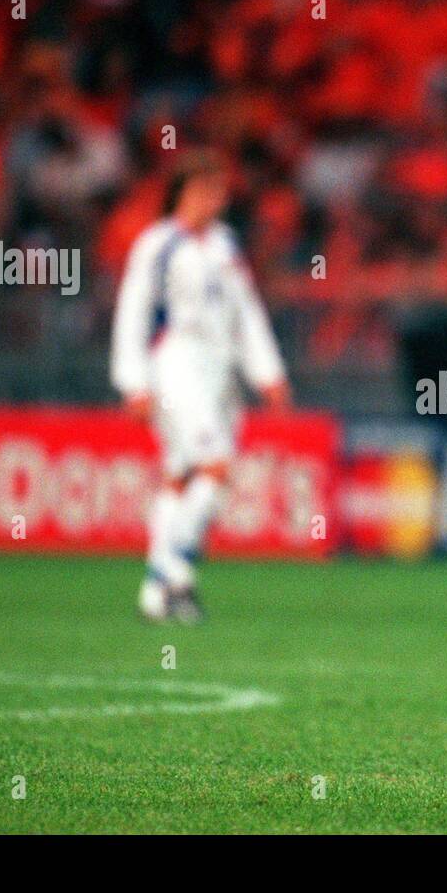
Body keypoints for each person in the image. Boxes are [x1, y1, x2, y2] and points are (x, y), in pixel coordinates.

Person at [110, 150, 291, 623]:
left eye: (219, 190)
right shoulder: (158, 244)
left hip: (222, 370)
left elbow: (247, 311)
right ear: (183, 192)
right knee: (215, 464)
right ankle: (174, 568)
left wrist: (267, 371)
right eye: (206, 189)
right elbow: (133, 310)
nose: (215, 198)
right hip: (177, 363)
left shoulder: (225, 246)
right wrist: (133, 381)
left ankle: (155, 593)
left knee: (180, 474)